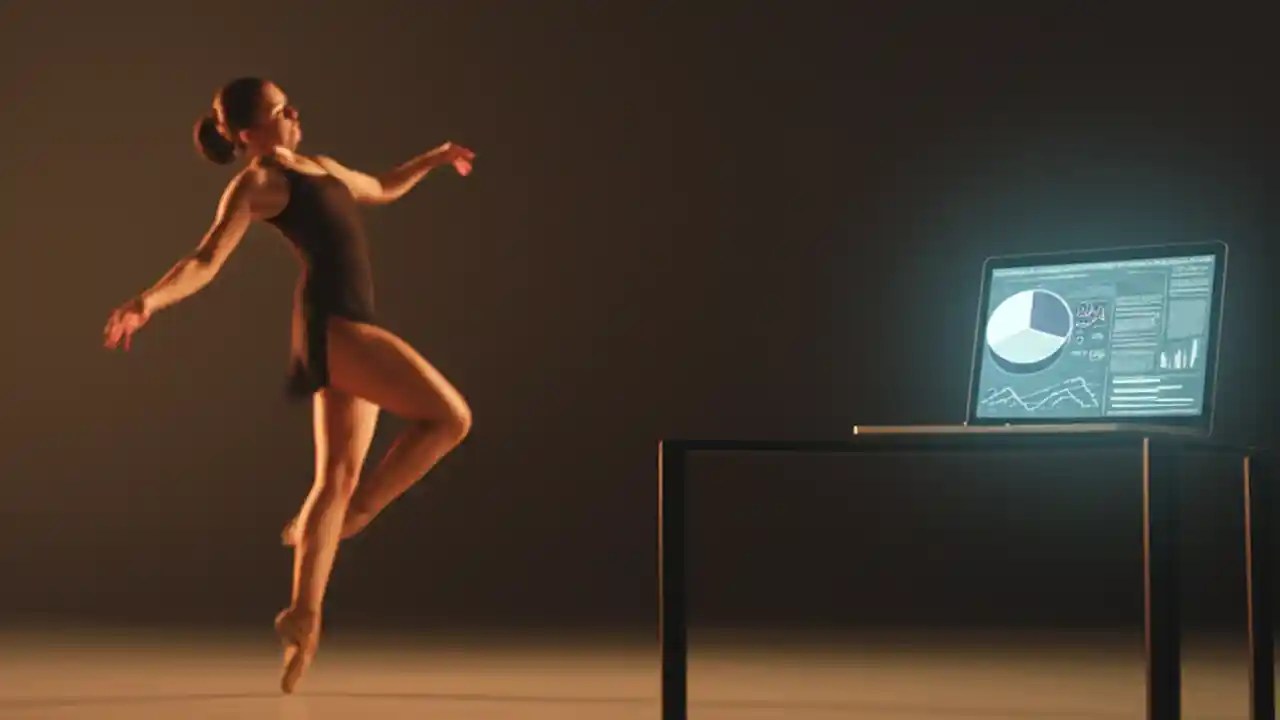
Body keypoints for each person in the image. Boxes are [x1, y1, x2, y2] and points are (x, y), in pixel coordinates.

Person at [102, 77, 476, 694]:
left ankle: (303, 614)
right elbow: (205, 259)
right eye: (280, 110)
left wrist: (431, 161)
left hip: (348, 322)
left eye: (290, 102)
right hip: (336, 324)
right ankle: (353, 520)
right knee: (449, 419)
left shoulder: (321, 166)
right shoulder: (260, 182)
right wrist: (147, 302)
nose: (295, 111)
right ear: (249, 134)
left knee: (334, 479)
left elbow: (380, 188)